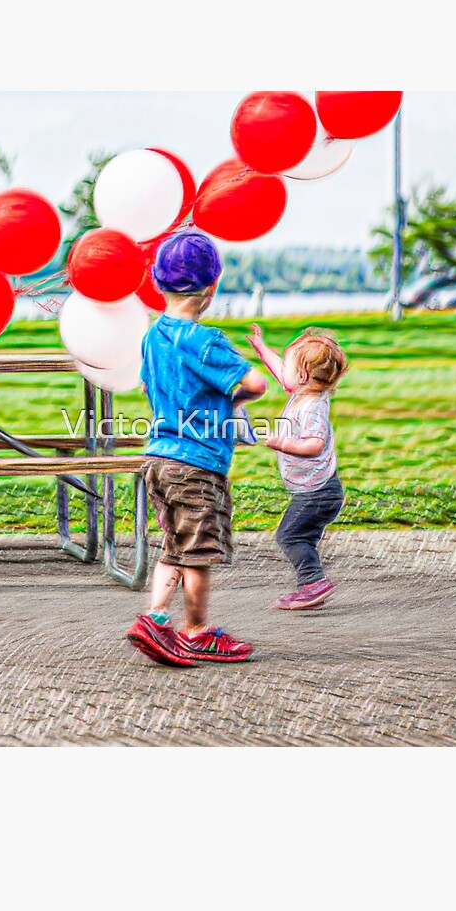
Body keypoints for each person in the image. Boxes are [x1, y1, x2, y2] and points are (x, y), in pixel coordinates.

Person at [126, 231, 268, 667]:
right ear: (212, 288)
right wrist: (234, 399)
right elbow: (256, 383)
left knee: (173, 545)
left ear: (157, 283)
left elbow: (150, 385)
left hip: (158, 458)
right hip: (197, 463)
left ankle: (154, 618)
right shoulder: (206, 342)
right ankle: (197, 631)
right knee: (199, 554)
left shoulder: (152, 337)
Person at [247, 324, 348, 610]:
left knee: (289, 535)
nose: (283, 374)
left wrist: (283, 444)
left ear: (302, 376)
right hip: (317, 490)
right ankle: (311, 585)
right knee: (302, 539)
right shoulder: (304, 391)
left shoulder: (311, 406)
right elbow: (282, 372)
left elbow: (314, 444)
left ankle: (313, 582)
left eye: (289, 367)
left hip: (317, 493)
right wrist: (262, 349)